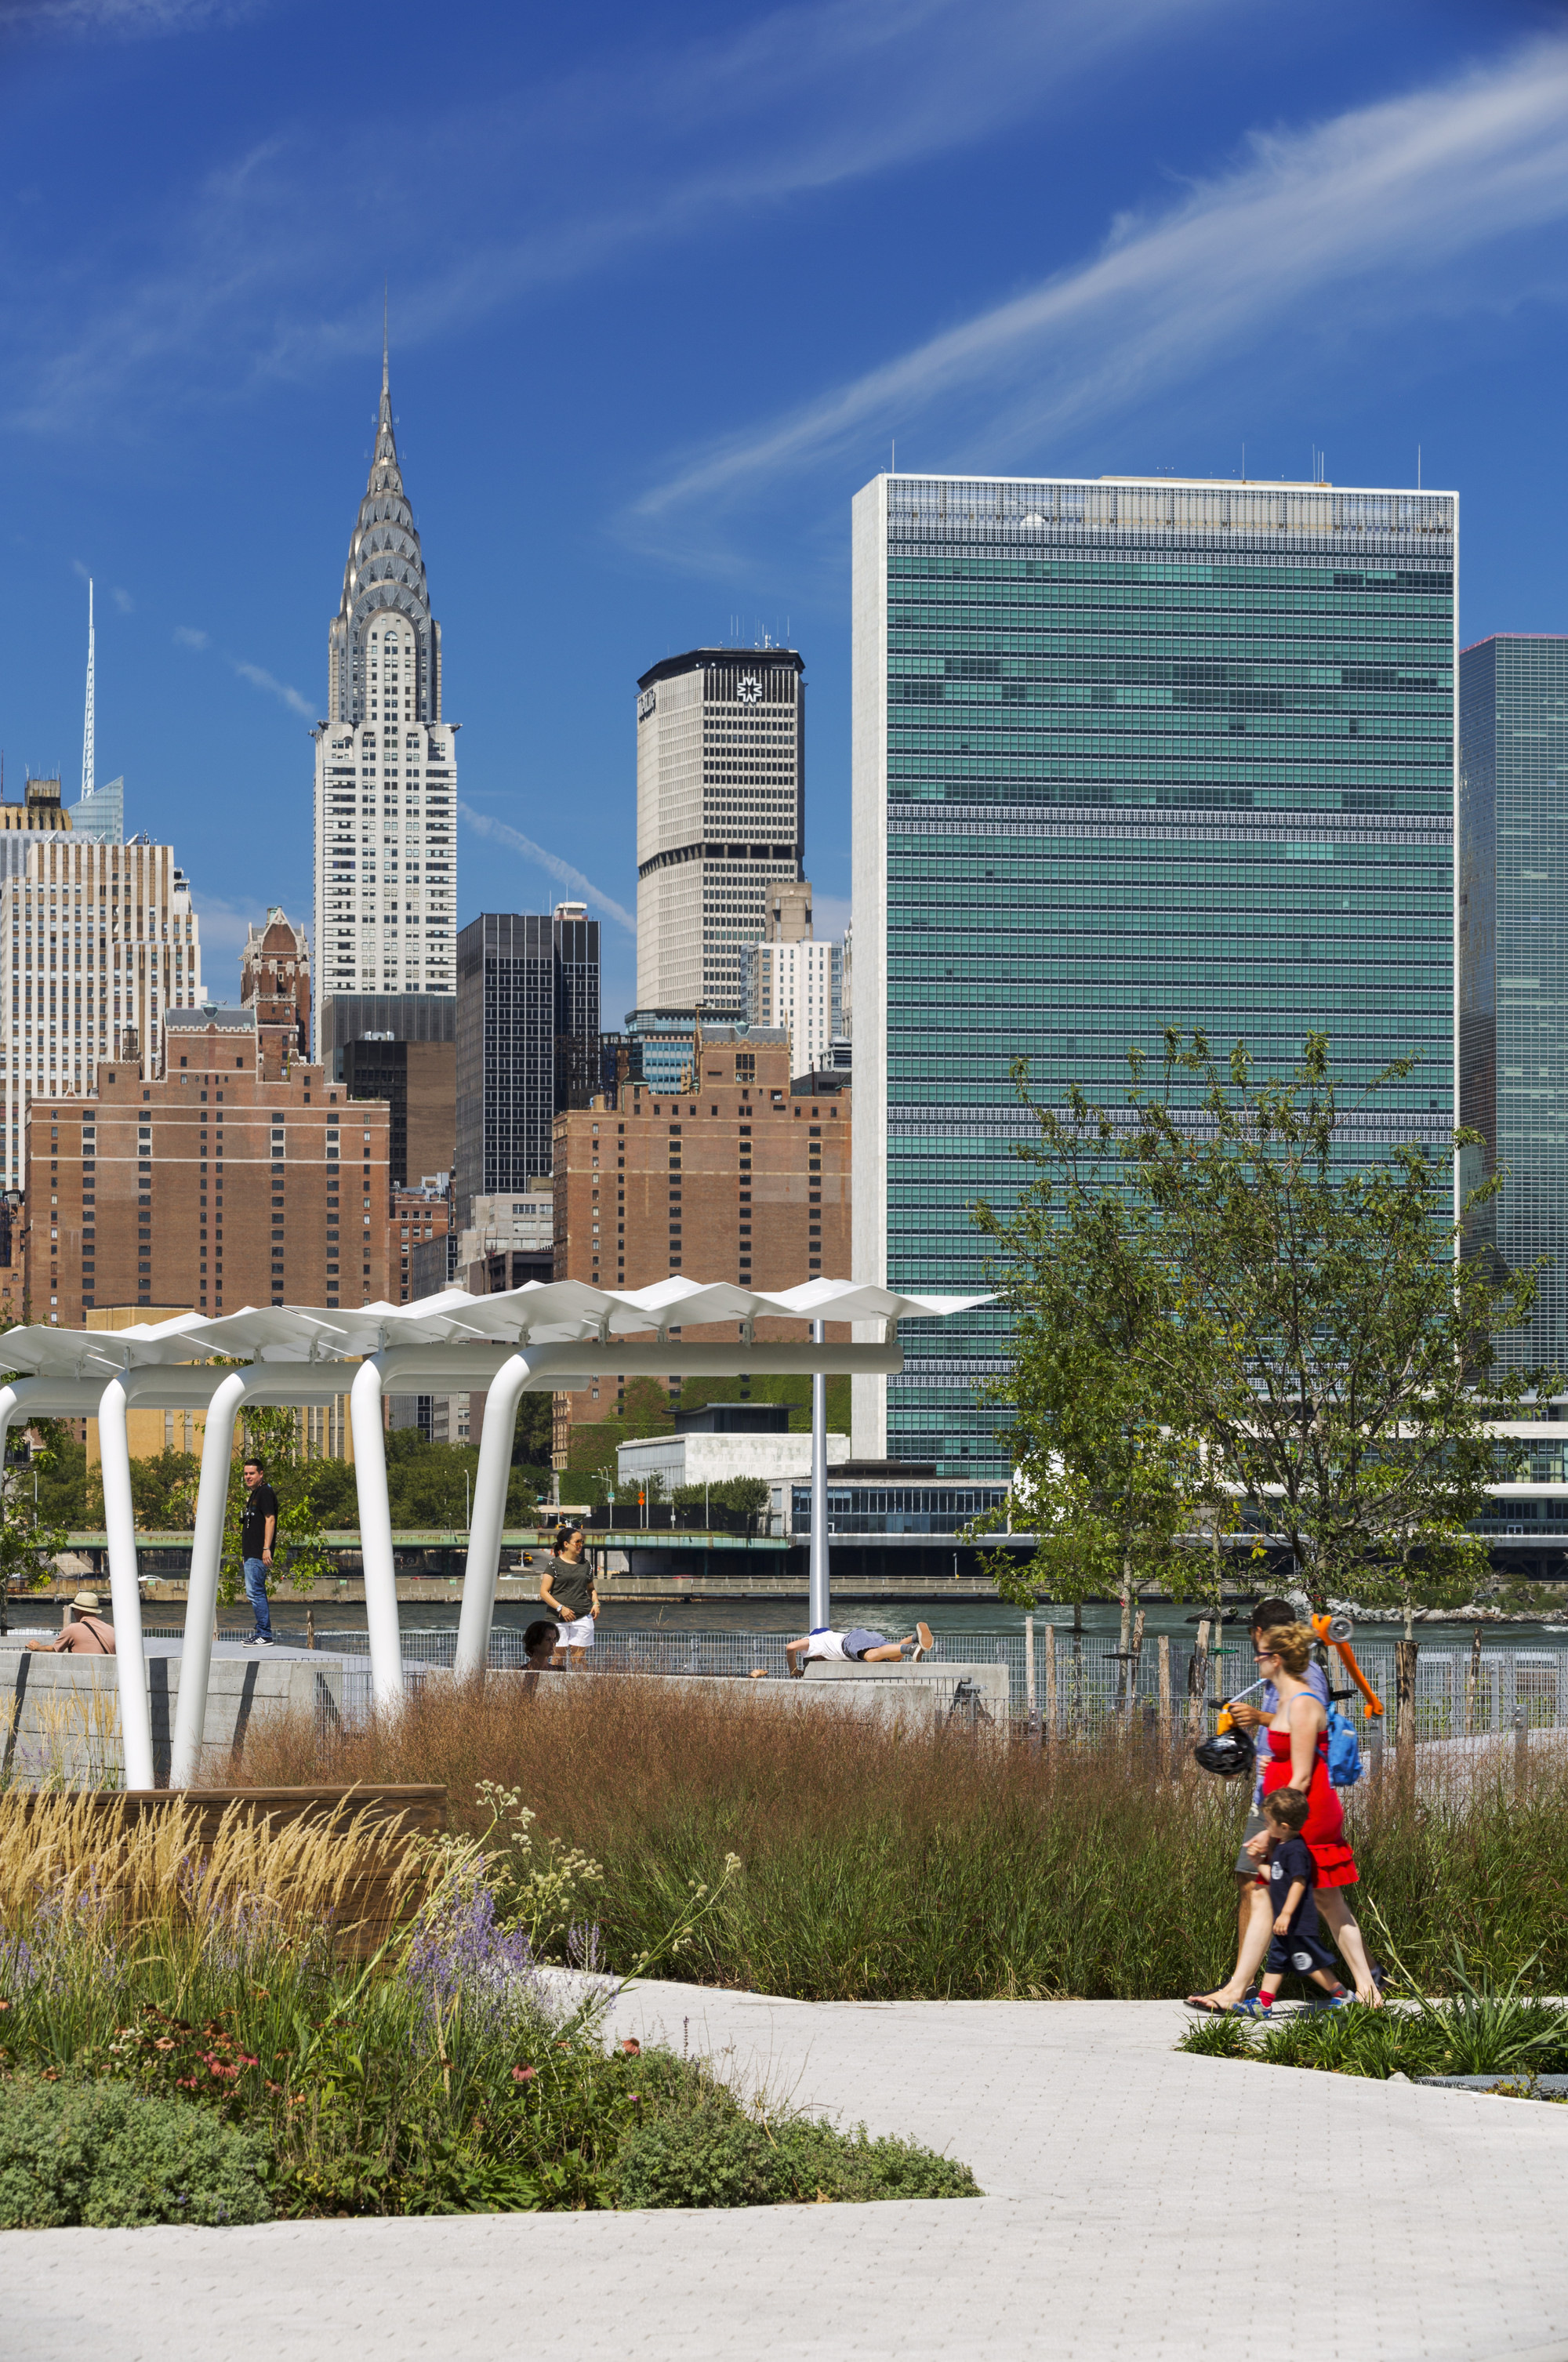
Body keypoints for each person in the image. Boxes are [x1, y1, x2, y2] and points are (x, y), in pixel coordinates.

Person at [1187, 1602, 1381, 2011]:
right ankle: (1235, 1991)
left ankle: (1368, 1990)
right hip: (1283, 1816)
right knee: (1262, 1889)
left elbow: (1304, 1777)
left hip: (1304, 1815)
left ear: (1274, 1659)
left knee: (1329, 1901)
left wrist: (1271, 1828)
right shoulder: (1286, 1701)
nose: (1256, 1659)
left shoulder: (1305, 1703)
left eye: (1260, 1655)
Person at [1240, 1788, 1349, 2016]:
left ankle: (1342, 1994)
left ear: (1284, 1827)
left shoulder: (1296, 1850)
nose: (1267, 1827)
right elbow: (1278, 1880)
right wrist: (1258, 1864)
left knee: (1308, 1962)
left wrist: (1287, 1914)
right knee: (1276, 1962)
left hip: (1297, 1922)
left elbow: (1299, 1883)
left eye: (1269, 1823)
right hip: (1284, 1923)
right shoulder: (1281, 1847)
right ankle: (1264, 2004)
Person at [536, 1527, 597, 1667]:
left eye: (582, 1542)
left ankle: (579, 1688)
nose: (580, 1545)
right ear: (566, 1544)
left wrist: (596, 1603)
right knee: (558, 1658)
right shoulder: (554, 1565)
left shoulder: (586, 1565)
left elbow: (591, 1589)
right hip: (557, 1618)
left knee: (579, 1660)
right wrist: (561, 1608)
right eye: (577, 1542)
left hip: (582, 1617)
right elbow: (544, 1592)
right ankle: (556, 1688)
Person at [786, 1623, 934, 1675]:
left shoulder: (814, 1641)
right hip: (861, 1635)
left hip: (850, 1643)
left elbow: (790, 1647)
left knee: (870, 1656)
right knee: (895, 1656)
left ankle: (911, 1648)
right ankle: (914, 1638)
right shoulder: (829, 1637)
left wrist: (794, 1670)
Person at [239, 1455, 278, 1649]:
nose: (248, 1477)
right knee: (253, 1592)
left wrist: (266, 1549)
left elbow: (270, 1519)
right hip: (250, 1554)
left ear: (261, 1474)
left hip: (258, 1553)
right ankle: (261, 1634)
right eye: (246, 1474)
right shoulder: (254, 1494)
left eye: (252, 1473)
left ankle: (264, 1634)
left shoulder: (265, 1493)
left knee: (256, 1592)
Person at [27, 1589, 115, 1653]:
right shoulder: (111, 1630)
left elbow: (54, 1649)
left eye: (73, 1610)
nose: (74, 1613)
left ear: (80, 1612)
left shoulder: (73, 1629)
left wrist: (37, 1646)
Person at [520, 1617, 561, 1694]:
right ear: (535, 1642)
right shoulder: (520, 1673)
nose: (553, 1644)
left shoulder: (560, 1671)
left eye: (554, 1639)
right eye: (548, 1639)